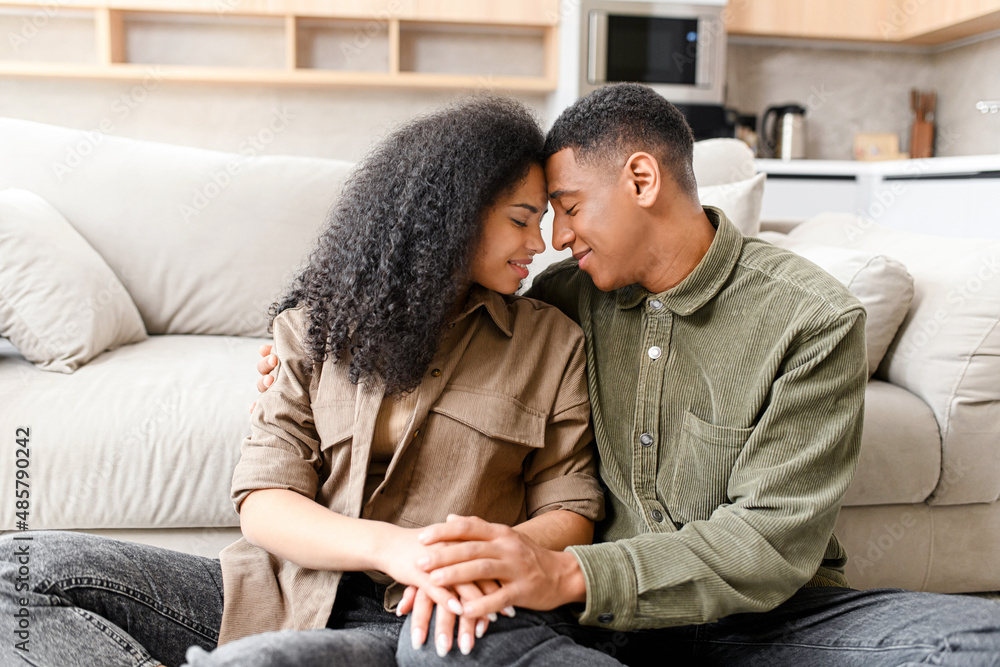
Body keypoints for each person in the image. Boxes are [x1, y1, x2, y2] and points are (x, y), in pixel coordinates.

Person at [255, 83, 1000, 666]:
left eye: (569, 209)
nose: (556, 238)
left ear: (641, 178)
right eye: (540, 218)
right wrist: (289, 345)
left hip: (767, 624)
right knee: (447, 645)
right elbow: (407, 279)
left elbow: (771, 541)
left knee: (979, 637)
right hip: (602, 630)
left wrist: (569, 574)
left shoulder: (815, 320)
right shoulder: (557, 301)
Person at [0, 97, 621, 667]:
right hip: (273, 590)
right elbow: (264, 502)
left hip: (416, 620)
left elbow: (569, 509)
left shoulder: (550, 341)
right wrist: (391, 548)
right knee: (17, 569)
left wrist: (469, 563)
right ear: (454, 216)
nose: (539, 244)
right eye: (521, 220)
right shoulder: (317, 328)